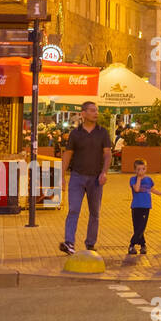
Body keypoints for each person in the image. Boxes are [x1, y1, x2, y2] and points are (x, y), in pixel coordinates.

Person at [59, 102, 110, 255]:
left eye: (97, 111)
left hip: (96, 178)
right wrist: (62, 176)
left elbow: (107, 154)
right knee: (73, 210)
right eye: (92, 110)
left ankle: (90, 243)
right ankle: (69, 243)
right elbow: (68, 154)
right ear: (83, 113)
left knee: (95, 212)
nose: (96, 113)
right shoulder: (75, 133)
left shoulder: (103, 133)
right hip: (77, 177)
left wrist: (104, 172)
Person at [127, 159, 161, 255]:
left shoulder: (149, 180)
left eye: (143, 169)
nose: (141, 171)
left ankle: (132, 244)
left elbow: (152, 190)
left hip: (146, 206)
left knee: (142, 227)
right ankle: (142, 245)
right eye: (138, 169)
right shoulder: (133, 179)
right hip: (136, 206)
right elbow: (137, 189)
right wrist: (138, 178)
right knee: (137, 227)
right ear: (135, 170)